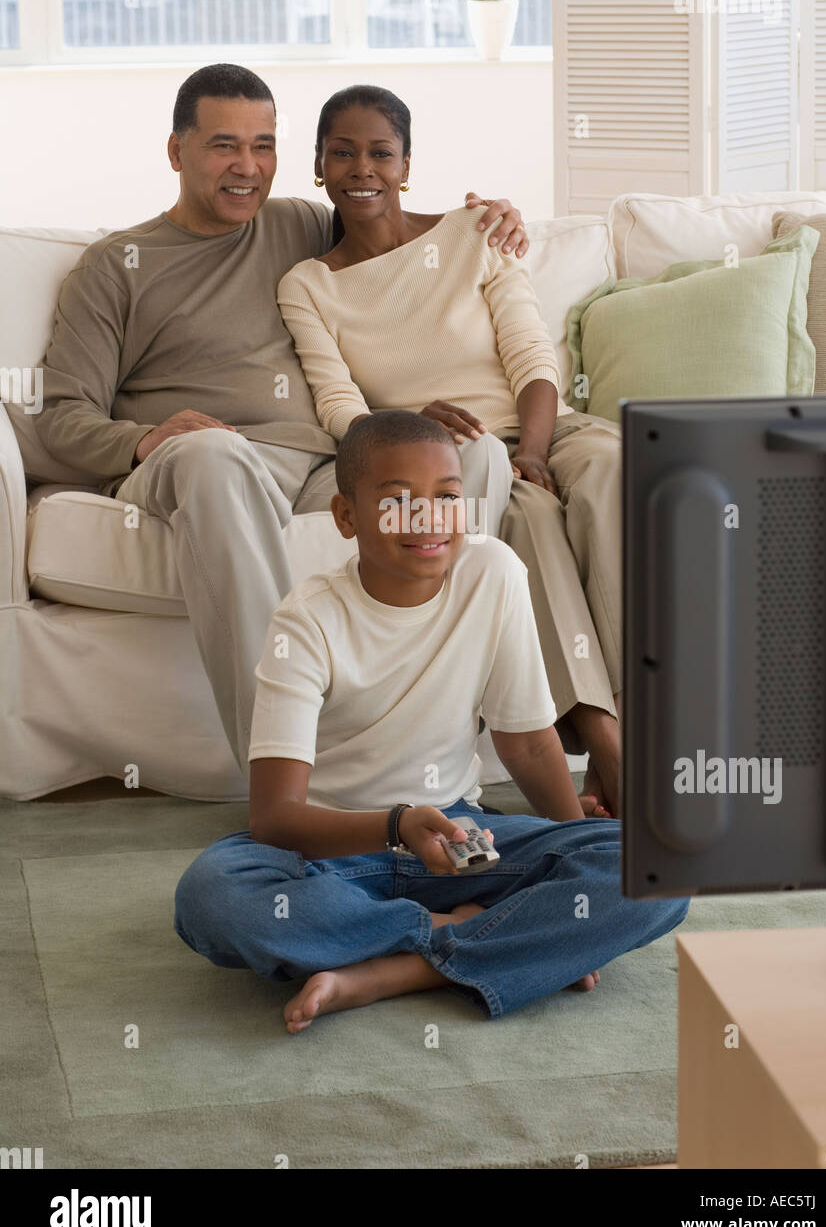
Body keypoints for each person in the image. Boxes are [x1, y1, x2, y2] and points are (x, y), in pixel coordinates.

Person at [26, 63, 530, 779]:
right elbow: (58, 417)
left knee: (468, 456)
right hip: (195, 467)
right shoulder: (118, 267)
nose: (248, 167)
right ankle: (286, 779)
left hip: (322, 461)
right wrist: (146, 438)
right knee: (213, 456)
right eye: (225, 145)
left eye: (264, 146)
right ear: (177, 151)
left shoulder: (296, 223)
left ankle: (434, 748)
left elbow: (386, 211)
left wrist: (485, 219)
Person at [173, 411, 689, 1030]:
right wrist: (396, 825)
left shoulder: (494, 573)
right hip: (336, 856)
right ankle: (478, 937)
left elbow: (525, 744)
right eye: (396, 501)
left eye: (446, 497)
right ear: (346, 517)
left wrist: (572, 841)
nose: (428, 520)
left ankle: (395, 969)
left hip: (463, 842)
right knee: (213, 895)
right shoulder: (307, 621)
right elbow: (274, 817)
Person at [276, 85, 623, 814]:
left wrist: (533, 450)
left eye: (380, 152)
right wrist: (408, 424)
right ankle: (606, 750)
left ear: (406, 165)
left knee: (616, 470)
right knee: (521, 516)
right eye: (342, 152)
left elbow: (533, 359)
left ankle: (629, 727)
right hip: (442, 456)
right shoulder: (309, 284)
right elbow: (340, 404)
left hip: (541, 427)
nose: (361, 169)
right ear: (317, 166)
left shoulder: (475, 232)